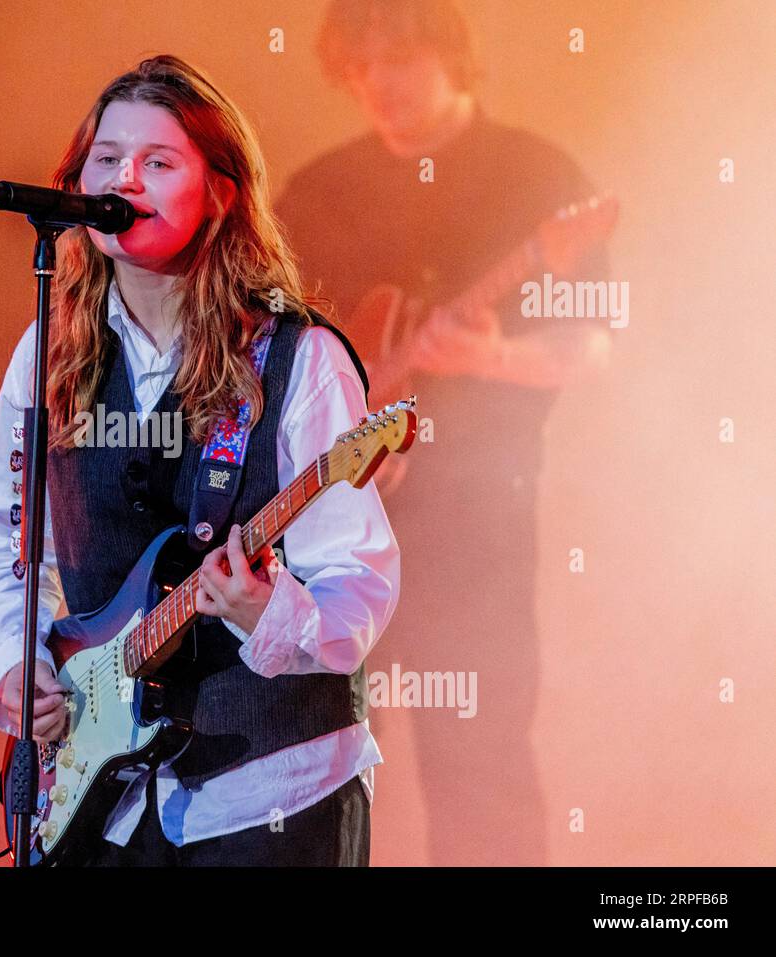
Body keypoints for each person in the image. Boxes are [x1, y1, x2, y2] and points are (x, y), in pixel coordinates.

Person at [0, 54, 400, 866]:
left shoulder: (299, 362)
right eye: (107, 159)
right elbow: (6, 539)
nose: (126, 178)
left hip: (270, 792)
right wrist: (14, 662)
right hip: (106, 801)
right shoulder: (48, 355)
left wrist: (268, 614)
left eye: (158, 162)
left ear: (220, 193)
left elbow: (358, 585)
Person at [274, 0, 613, 865]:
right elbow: (258, 357)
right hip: (330, 531)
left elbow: (593, 348)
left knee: (480, 768)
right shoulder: (316, 193)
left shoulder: (534, 176)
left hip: (475, 531)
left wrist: (491, 356)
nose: (377, 86)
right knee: (314, 773)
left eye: (396, 60)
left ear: (450, 50)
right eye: (358, 69)